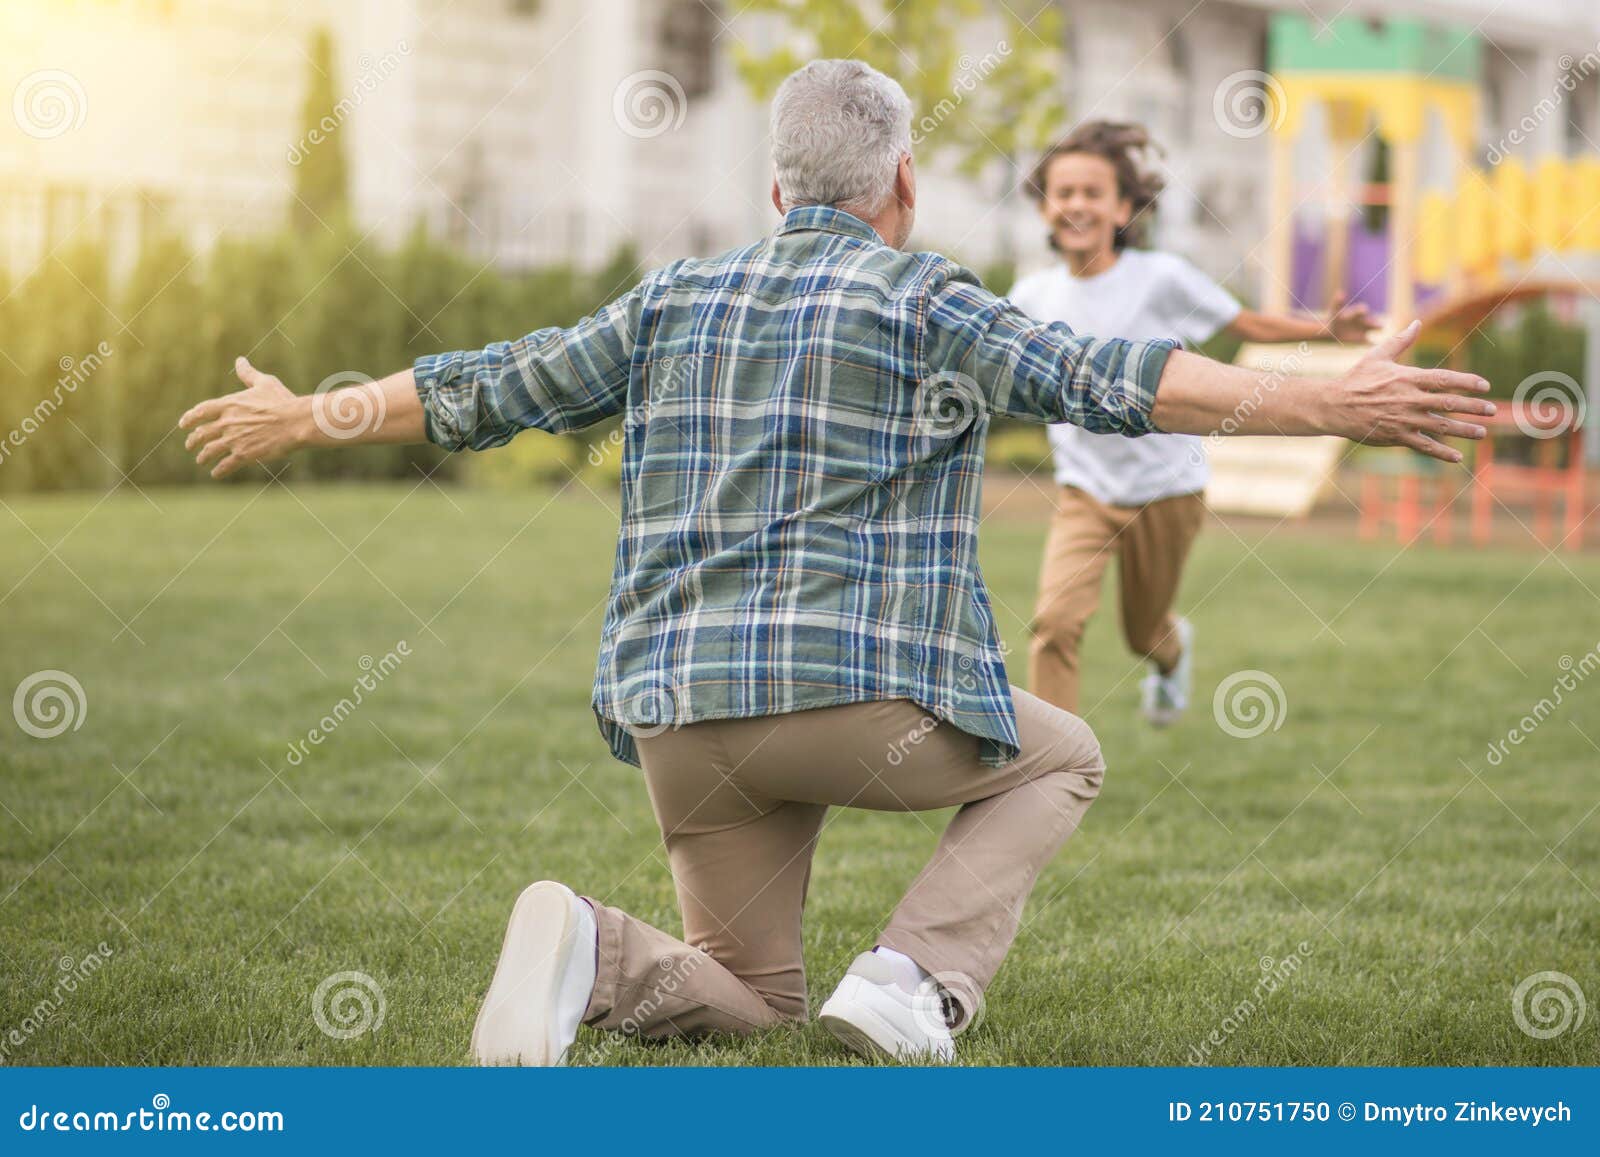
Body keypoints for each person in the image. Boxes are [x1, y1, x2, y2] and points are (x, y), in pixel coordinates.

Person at [177, 60, 1492, 1065]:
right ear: (903, 187)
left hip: (677, 715)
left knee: (753, 996)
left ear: (776, 193)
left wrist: (310, 412)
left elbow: (497, 385)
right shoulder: (927, 298)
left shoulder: (674, 296)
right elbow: (1117, 382)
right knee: (1066, 754)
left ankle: (588, 950)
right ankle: (915, 978)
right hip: (858, 707)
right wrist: (1333, 399)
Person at [1012, 121, 1381, 725]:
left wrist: (1326, 331)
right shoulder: (1031, 294)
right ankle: (1052, 762)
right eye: (1063, 192)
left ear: (1125, 207)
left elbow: (1245, 324)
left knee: (1143, 633)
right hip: (1085, 490)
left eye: (1092, 192)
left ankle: (1171, 653)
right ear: (1044, 205)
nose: (1076, 204)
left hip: (1167, 490)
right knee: (1054, 622)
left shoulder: (1161, 277)